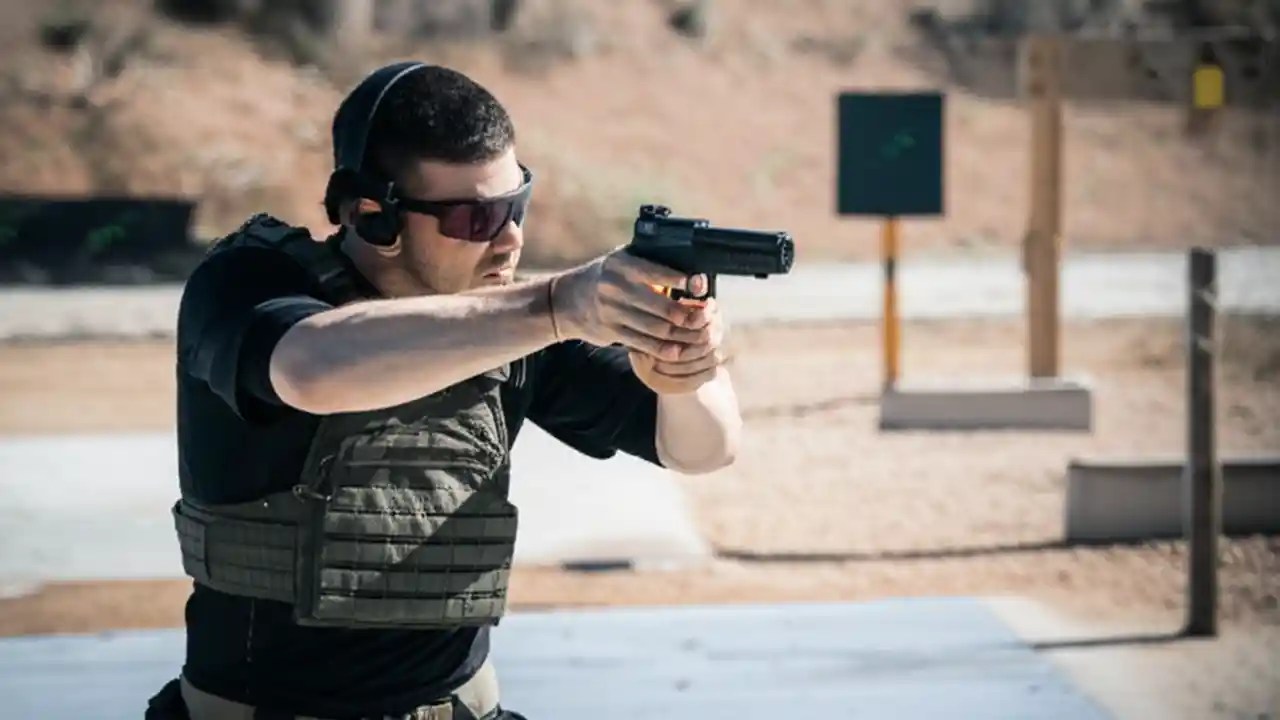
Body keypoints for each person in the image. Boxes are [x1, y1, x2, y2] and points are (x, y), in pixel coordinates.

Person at [145, 61, 741, 720]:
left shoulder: (507, 318)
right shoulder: (248, 283)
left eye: (516, 205)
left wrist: (688, 367)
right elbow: (311, 368)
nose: (510, 237)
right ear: (374, 216)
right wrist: (552, 308)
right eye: (473, 218)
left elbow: (702, 447)